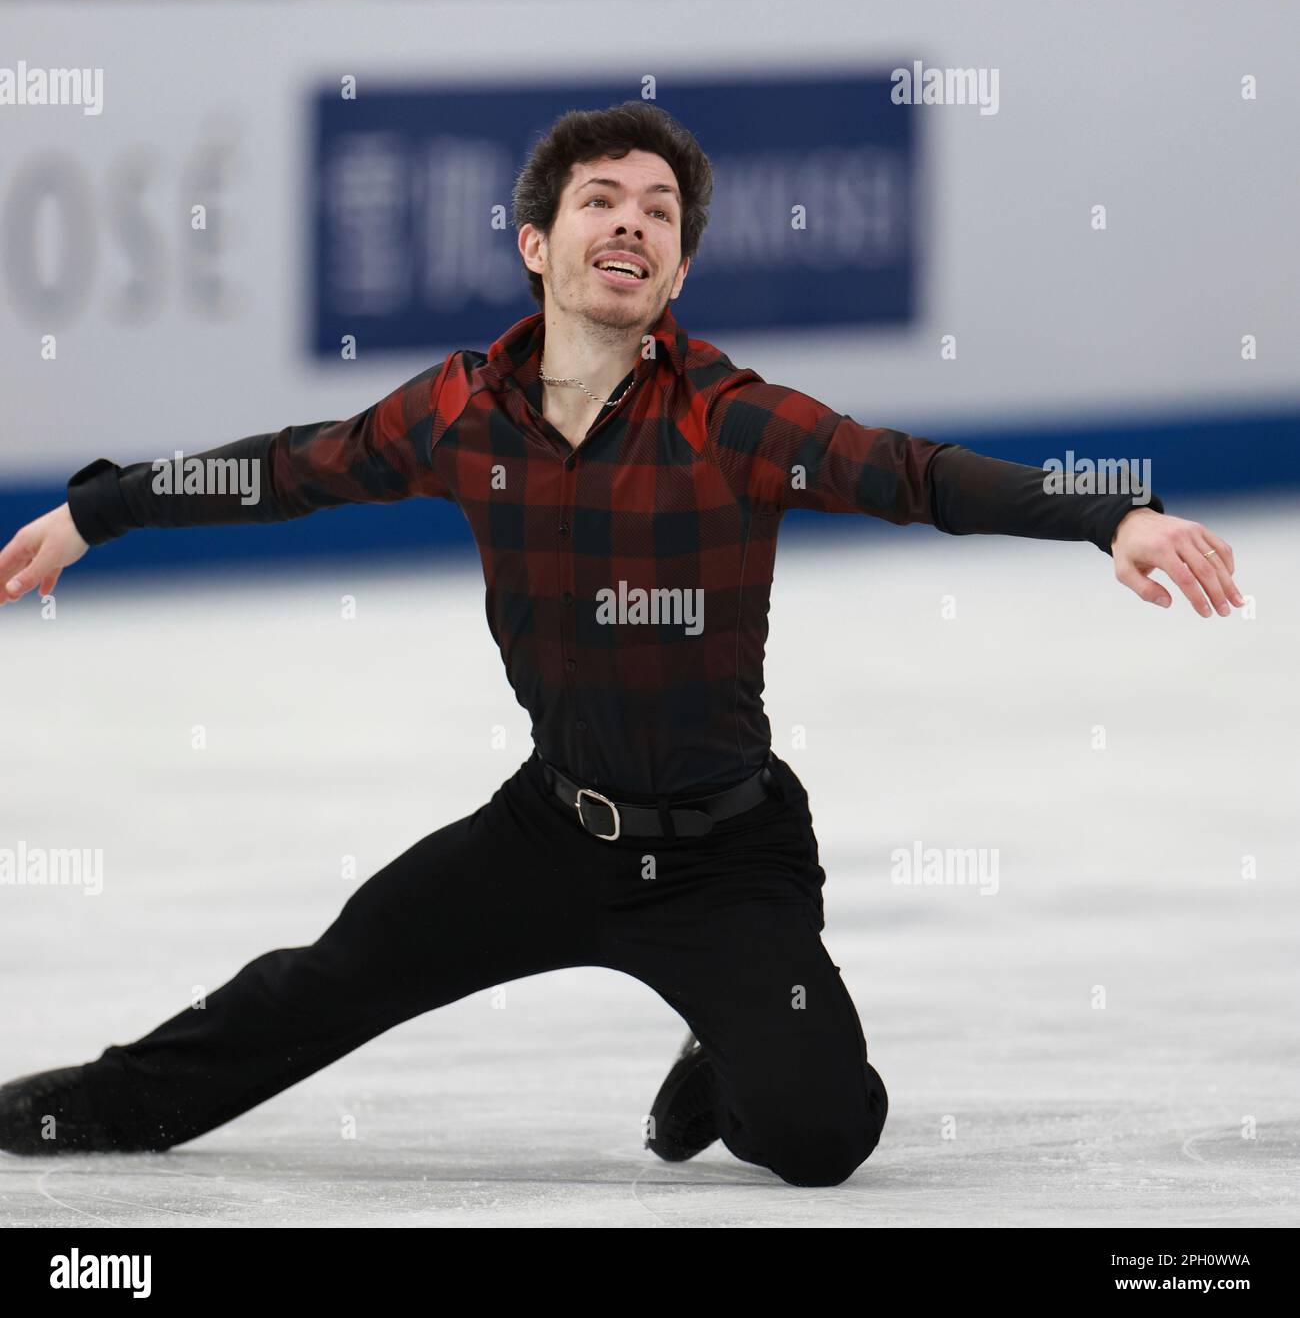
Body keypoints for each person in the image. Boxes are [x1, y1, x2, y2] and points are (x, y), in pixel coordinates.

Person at [0, 101, 1243, 1188]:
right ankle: (93, 1102)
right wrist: (96, 512)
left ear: (678, 272)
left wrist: (1107, 515)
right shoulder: (457, 411)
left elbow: (911, 473)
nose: (632, 224)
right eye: (602, 201)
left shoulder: (734, 418)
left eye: (659, 212)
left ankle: (723, 1047)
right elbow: (289, 467)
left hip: (727, 850)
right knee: (318, 985)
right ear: (538, 244)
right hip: (552, 827)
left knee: (819, 1136)